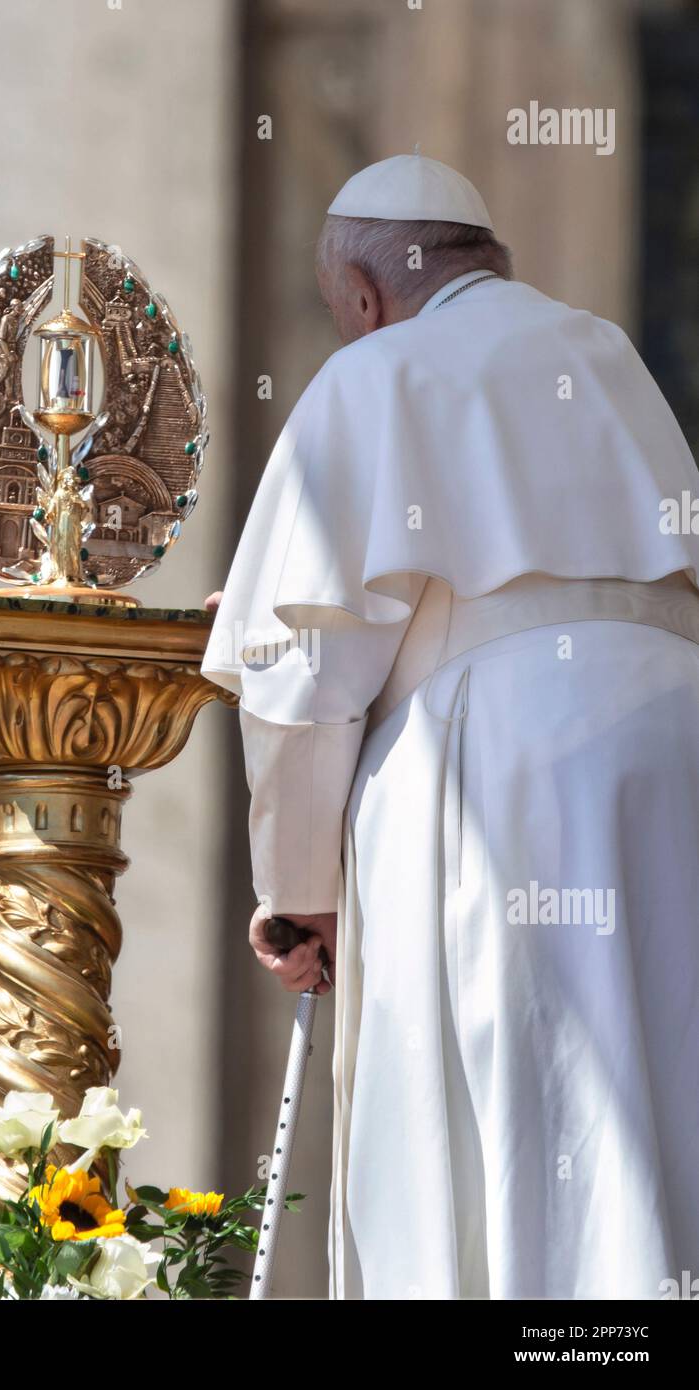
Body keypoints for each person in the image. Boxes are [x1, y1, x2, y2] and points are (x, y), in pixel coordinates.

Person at [201, 153, 699, 1300]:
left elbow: (300, 673)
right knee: (659, 1090)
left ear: (364, 299)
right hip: (673, 737)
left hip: (505, 756)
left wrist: (298, 893)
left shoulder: (373, 373)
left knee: (511, 1108)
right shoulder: (603, 356)